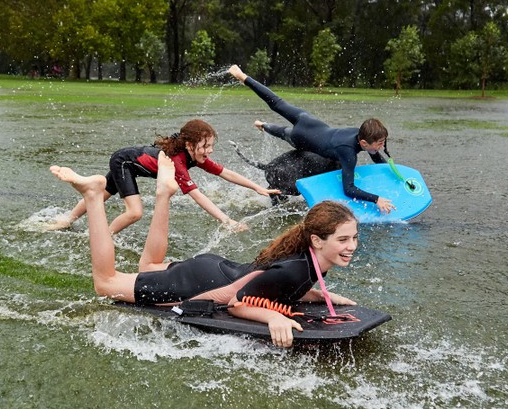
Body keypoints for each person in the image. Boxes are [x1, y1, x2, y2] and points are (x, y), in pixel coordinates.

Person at [49, 153, 358, 347]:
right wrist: (272, 319)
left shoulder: (309, 260)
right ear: (317, 240)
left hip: (213, 271)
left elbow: (273, 284)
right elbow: (238, 304)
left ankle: (163, 194)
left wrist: (314, 295)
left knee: (149, 266)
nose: (351, 247)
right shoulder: (297, 268)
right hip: (201, 284)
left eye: (354, 238)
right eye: (343, 240)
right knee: (105, 283)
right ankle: (92, 195)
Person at [48, 119, 280, 235]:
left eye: (211, 146)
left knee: (102, 192)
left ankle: (67, 220)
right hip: (124, 162)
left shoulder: (193, 155)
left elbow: (225, 173)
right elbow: (197, 196)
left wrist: (257, 188)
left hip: (129, 162)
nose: (209, 151)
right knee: (135, 212)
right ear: (189, 145)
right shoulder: (177, 161)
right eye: (205, 146)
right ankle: (102, 237)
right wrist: (227, 220)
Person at [227, 65, 394, 214]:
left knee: (277, 102)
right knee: (286, 132)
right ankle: (264, 125)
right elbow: (349, 189)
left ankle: (244, 78)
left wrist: (389, 170)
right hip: (301, 138)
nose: (381, 147)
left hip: (308, 121)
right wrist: (376, 199)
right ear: (364, 143)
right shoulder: (348, 153)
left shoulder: (361, 132)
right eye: (379, 143)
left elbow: (374, 153)